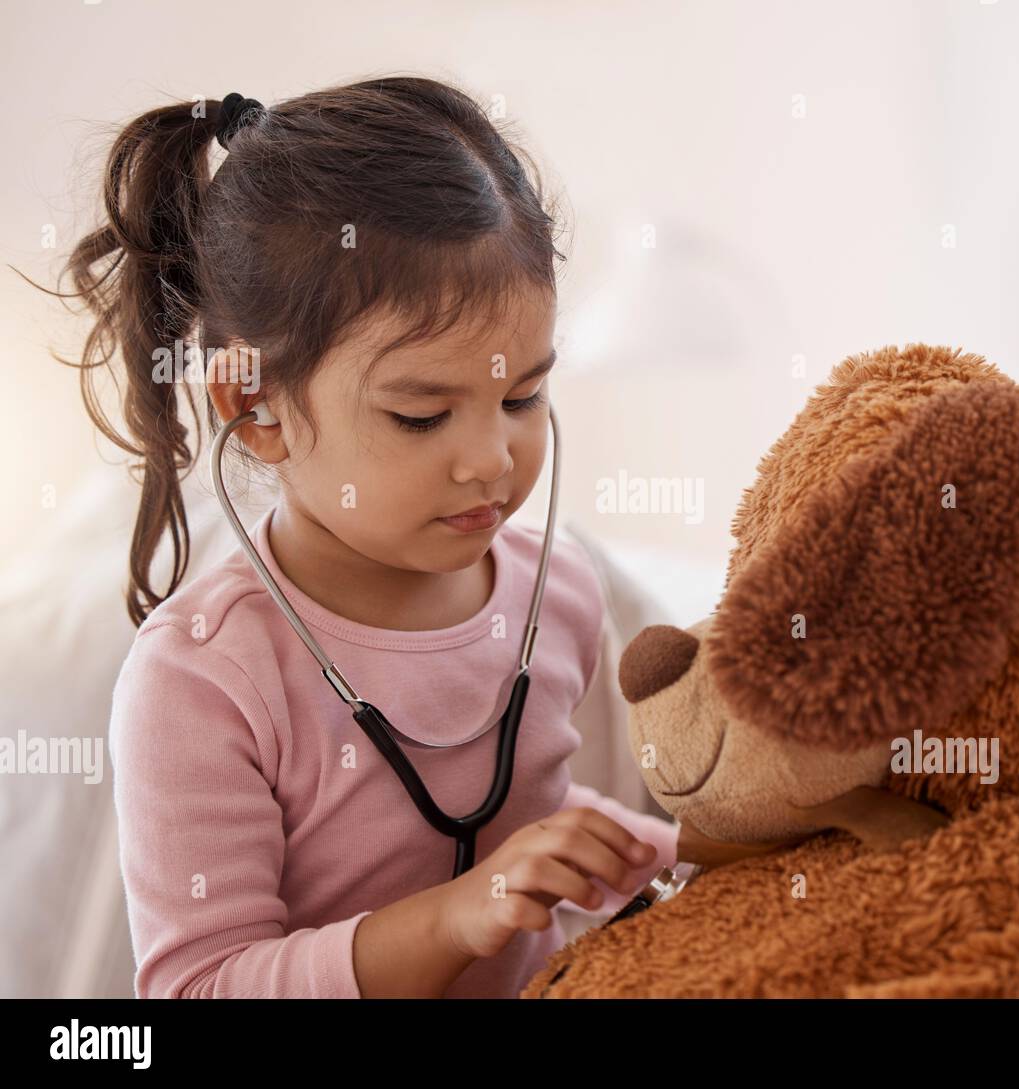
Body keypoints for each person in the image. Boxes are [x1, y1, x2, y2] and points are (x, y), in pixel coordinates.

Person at [47, 76, 679, 998]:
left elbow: (520, 812)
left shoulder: (566, 592)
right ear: (253, 407)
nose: (490, 460)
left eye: (522, 396)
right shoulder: (200, 680)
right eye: (422, 415)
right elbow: (202, 985)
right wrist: (458, 914)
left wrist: (697, 848)